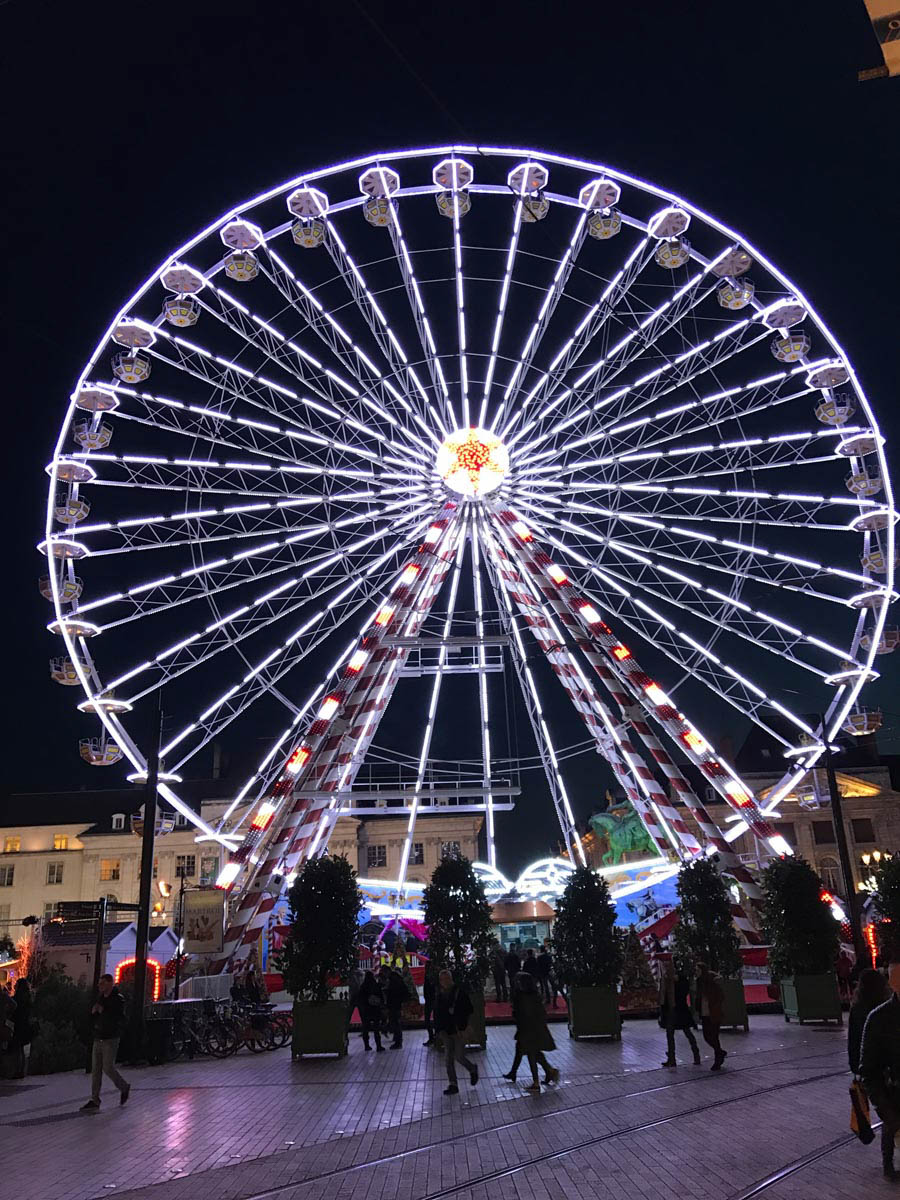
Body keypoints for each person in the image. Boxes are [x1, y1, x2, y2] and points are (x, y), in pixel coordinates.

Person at [860, 961, 900, 1180]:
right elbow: (869, 1068)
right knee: (892, 1123)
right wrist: (882, 1103)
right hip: (893, 1089)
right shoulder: (879, 1018)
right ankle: (888, 1164)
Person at [503, 972, 559, 1091]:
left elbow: (523, 1014)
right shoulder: (535, 995)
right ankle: (549, 1071)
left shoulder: (522, 997)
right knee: (532, 1052)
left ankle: (537, 1081)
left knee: (531, 1053)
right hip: (536, 1028)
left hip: (527, 1029)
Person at [82, 974, 130, 1110]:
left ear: (110, 983)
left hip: (110, 1038)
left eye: (102, 983)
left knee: (108, 1067)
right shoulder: (100, 998)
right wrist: (93, 1014)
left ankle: (124, 1086)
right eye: (99, 983)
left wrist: (103, 1011)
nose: (100, 986)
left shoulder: (118, 1000)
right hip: (98, 1036)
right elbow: (94, 1017)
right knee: (96, 1070)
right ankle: (94, 1099)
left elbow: (117, 1018)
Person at [434, 969, 478, 1095]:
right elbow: (437, 1013)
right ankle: (453, 1084)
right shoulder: (440, 994)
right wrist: (438, 1030)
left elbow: (468, 1009)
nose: (444, 982)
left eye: (446, 978)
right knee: (448, 1059)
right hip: (445, 1030)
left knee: (459, 1056)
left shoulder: (459, 993)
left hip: (458, 1030)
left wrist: (462, 1024)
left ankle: (472, 1069)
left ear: (451, 979)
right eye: (442, 979)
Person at [659, 959, 700, 1067]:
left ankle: (695, 1054)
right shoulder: (665, 980)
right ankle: (672, 1058)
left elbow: (683, 992)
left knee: (685, 1031)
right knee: (671, 1033)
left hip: (679, 1009)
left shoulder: (679, 979)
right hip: (672, 1010)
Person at [849, 968, 889, 1075]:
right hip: (886, 1063)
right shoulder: (887, 1007)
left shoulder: (857, 1008)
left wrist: (855, 1065)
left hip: (865, 1063)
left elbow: (853, 1039)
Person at [694, 961, 726, 1071]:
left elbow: (720, 996)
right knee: (707, 1036)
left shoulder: (711, 981)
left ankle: (718, 1059)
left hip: (713, 1012)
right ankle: (720, 1052)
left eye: (698, 970)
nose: (696, 972)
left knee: (714, 1036)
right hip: (704, 1012)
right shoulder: (699, 982)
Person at [11, 978, 33, 1079]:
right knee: (23, 1050)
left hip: (18, 1025)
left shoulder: (17, 999)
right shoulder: (28, 999)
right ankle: (22, 1071)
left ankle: (17, 1070)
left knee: (17, 1049)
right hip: (25, 1025)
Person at [357, 969, 384, 1051]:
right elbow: (381, 997)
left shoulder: (363, 986)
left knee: (365, 1028)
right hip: (375, 1009)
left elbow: (360, 998)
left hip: (366, 1010)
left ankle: (366, 1045)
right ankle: (378, 1046)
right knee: (376, 1028)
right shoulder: (375, 985)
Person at [382, 965, 407, 1049]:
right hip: (396, 1004)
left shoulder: (393, 979)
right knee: (396, 1022)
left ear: (387, 971)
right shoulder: (395, 978)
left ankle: (398, 1042)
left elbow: (394, 993)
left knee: (396, 1022)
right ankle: (397, 1039)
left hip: (394, 1004)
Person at [422, 962, 438, 1046]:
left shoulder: (429, 976)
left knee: (428, 1020)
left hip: (430, 1000)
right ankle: (435, 1037)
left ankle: (432, 1038)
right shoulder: (433, 976)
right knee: (434, 1019)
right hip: (431, 999)